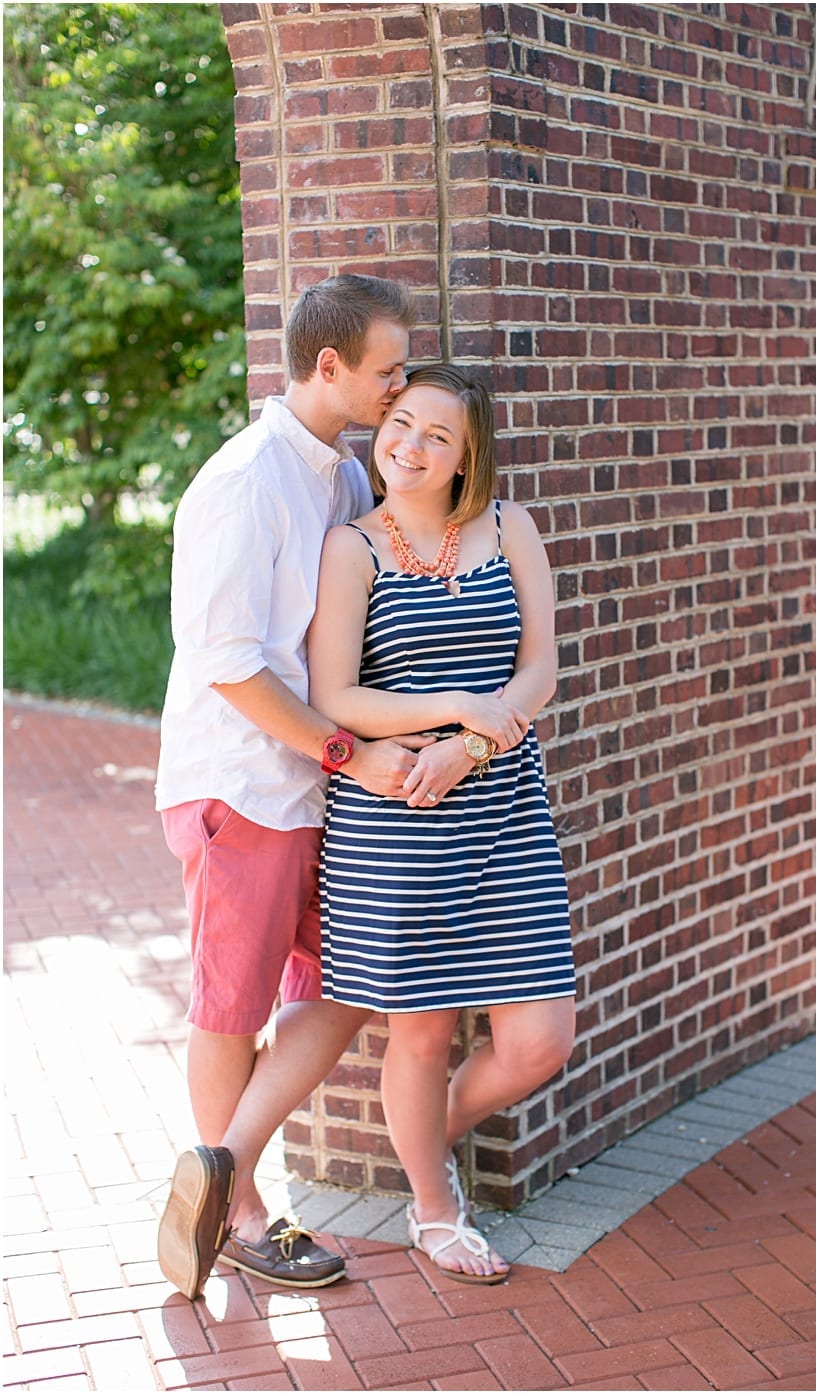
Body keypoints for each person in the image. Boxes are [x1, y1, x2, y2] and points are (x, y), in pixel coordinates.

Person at [153, 275, 497, 1299]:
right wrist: (349, 754)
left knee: (342, 987)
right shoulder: (245, 480)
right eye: (388, 369)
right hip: (242, 788)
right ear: (330, 364)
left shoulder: (343, 476)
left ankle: (220, 1174)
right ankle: (239, 1215)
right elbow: (227, 663)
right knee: (232, 1005)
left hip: (314, 789)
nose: (400, 386)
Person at [307, 364, 577, 1284]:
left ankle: (423, 1138)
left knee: (539, 1041)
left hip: (502, 805)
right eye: (401, 423)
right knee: (420, 1034)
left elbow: (539, 671)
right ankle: (433, 1209)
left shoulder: (507, 527)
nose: (409, 447)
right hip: (400, 815)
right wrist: (459, 706)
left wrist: (473, 744)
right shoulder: (351, 548)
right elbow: (335, 696)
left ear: (467, 458)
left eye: (437, 437)